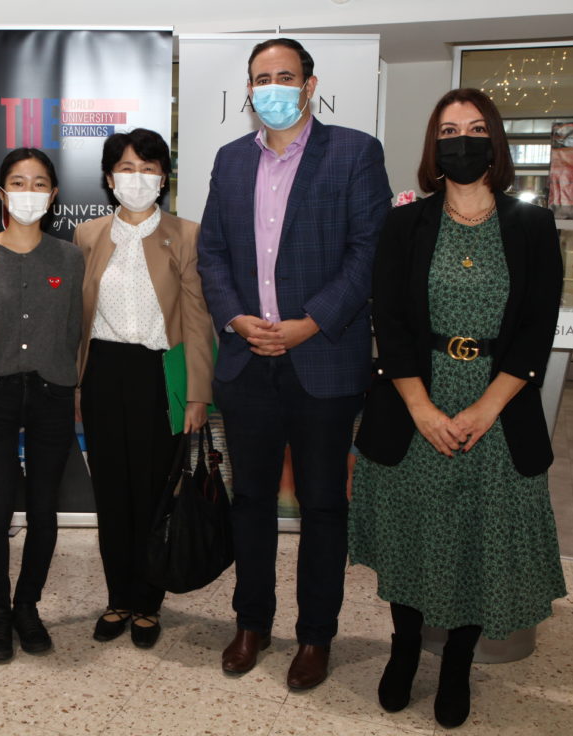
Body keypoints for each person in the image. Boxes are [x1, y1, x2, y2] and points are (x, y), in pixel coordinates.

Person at [350, 88, 565, 729]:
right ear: (433, 145)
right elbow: (387, 320)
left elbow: (536, 328)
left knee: (478, 539)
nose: (462, 139)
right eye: (449, 130)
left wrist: (486, 409)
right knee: (411, 534)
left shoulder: (532, 225)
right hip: (413, 401)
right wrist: (419, 407)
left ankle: (456, 665)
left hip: (498, 406)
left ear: (494, 142)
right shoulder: (404, 222)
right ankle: (405, 647)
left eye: (475, 129)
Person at [197, 38, 391, 689]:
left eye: (285, 76)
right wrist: (235, 317)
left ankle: (316, 637)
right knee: (249, 500)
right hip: (247, 362)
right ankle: (251, 623)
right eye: (261, 78)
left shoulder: (355, 153)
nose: (272, 87)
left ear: (310, 85)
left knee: (322, 508)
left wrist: (310, 323)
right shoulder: (228, 162)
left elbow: (369, 252)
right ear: (249, 90)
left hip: (324, 362)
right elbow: (212, 254)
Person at [73, 128, 214, 649]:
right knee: (112, 494)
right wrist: (75, 388)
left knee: (155, 493)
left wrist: (198, 393)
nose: (138, 178)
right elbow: (78, 321)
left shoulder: (187, 234)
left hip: (162, 375)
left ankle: (149, 603)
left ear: (164, 177)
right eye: (127, 168)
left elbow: (199, 319)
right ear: (110, 179)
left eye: (149, 168)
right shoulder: (88, 236)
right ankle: (119, 598)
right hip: (104, 372)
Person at [0, 148, 83, 663]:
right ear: (3, 194)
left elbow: (73, 332)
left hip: (51, 395)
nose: (29, 191)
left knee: (45, 511)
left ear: (52, 195)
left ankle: (29, 605)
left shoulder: (69, 258)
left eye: (39, 182)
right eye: (18, 182)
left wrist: (75, 394)